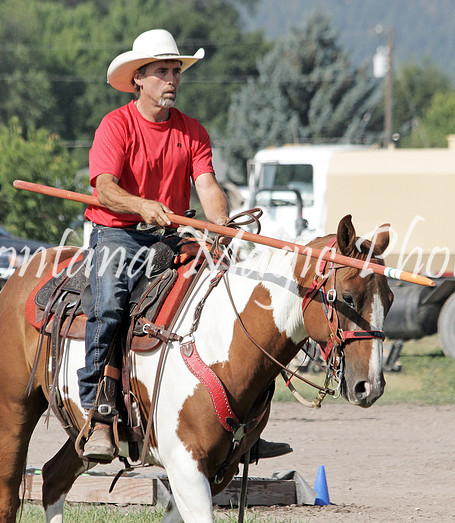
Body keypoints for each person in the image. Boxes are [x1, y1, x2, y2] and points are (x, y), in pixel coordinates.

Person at [79, 29, 291, 462]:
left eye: (176, 71)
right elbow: (104, 188)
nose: (172, 79)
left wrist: (220, 223)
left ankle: (240, 423)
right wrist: (142, 206)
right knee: (110, 305)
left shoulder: (192, 131)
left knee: (224, 297)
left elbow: (207, 185)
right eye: (163, 72)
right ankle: (99, 412)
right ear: (138, 78)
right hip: (117, 233)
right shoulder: (116, 126)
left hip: (171, 235)